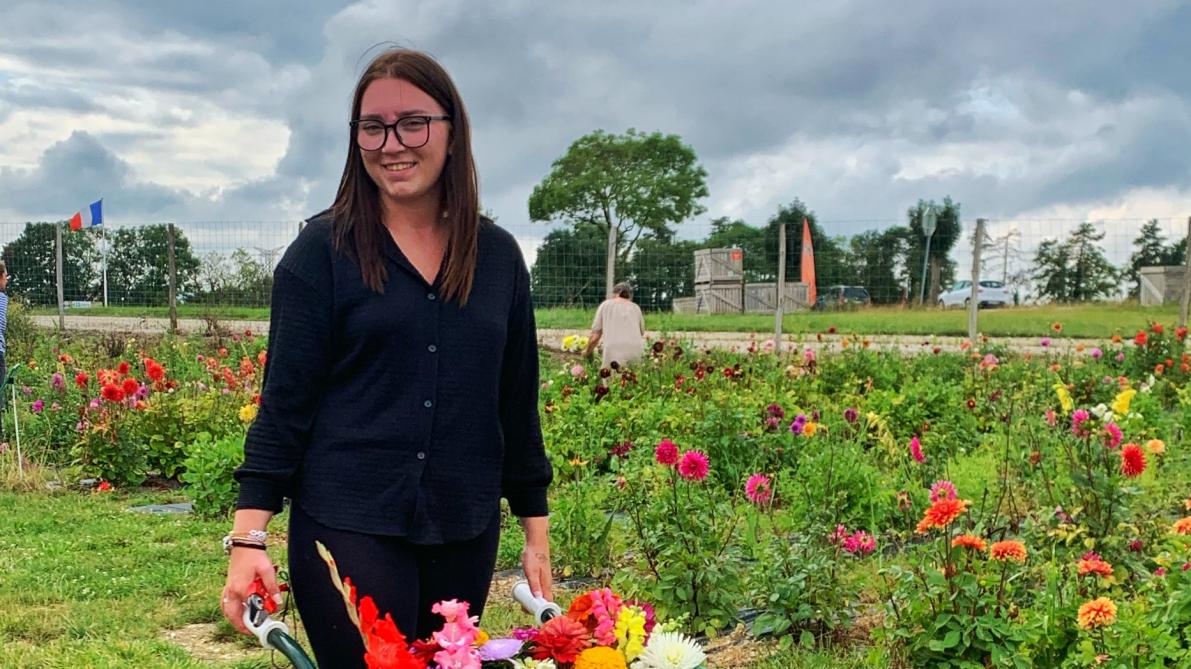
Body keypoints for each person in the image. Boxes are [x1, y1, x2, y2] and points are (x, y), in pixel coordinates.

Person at [221, 49, 553, 667]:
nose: (391, 143)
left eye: (413, 123)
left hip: (464, 523)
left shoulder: (499, 259)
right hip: (347, 524)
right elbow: (284, 404)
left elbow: (515, 401)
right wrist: (248, 538)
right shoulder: (321, 253)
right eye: (372, 126)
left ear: (452, 132)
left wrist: (535, 529)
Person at [583, 281, 645, 367]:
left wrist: (587, 352)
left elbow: (595, 337)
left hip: (613, 353)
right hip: (635, 352)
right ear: (630, 296)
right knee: (632, 377)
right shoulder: (636, 308)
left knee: (611, 378)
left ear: (615, 293)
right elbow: (641, 333)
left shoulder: (605, 305)